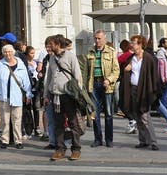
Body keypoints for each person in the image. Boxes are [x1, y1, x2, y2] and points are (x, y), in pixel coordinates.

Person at [44, 34, 84, 162]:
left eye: (52, 44)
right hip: (55, 96)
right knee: (58, 124)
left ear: (58, 44)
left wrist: (77, 95)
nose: (50, 46)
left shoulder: (70, 56)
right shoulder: (52, 58)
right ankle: (60, 149)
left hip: (69, 96)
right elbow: (48, 77)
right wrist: (45, 95)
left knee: (73, 123)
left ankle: (76, 149)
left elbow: (78, 77)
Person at [120, 34, 159, 151]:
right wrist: (126, 70)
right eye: (131, 43)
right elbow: (125, 73)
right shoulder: (130, 58)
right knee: (137, 116)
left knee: (145, 117)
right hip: (133, 89)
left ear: (140, 44)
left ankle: (153, 141)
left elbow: (153, 75)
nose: (132, 45)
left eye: (134, 43)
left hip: (145, 90)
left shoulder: (148, 58)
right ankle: (143, 140)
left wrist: (152, 91)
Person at [0, 44, 32, 149]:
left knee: (17, 120)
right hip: (3, 97)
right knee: (5, 120)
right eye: (5, 52)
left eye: (9, 52)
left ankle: (18, 141)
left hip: (16, 97)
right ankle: (5, 140)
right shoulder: (0, 64)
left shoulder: (21, 65)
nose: (7, 54)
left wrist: (28, 94)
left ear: (13, 52)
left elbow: (26, 81)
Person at [86, 30, 119, 148]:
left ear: (104, 39)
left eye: (99, 38)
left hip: (106, 85)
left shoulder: (111, 52)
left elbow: (116, 71)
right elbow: (86, 71)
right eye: (95, 38)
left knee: (109, 113)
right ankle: (97, 139)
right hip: (93, 84)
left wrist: (109, 80)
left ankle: (109, 139)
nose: (97, 41)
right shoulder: (90, 52)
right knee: (95, 113)